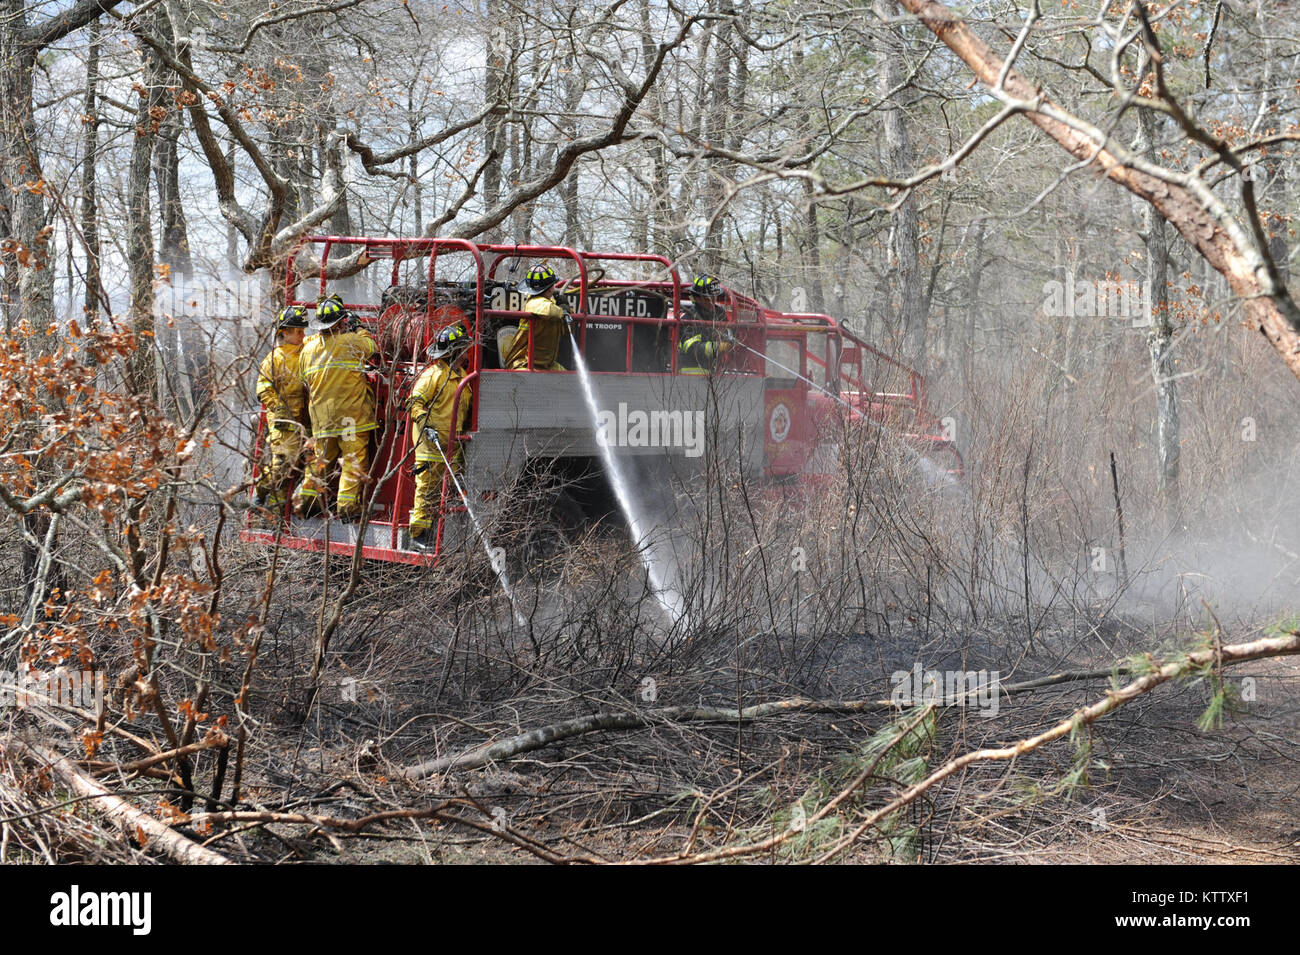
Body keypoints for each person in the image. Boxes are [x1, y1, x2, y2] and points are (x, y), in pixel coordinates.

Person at [293, 294, 379, 520]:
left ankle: (305, 504)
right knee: (352, 460)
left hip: (321, 420)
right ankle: (347, 509)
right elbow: (371, 346)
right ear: (341, 322)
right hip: (350, 419)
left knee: (319, 462)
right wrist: (359, 328)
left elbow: (304, 380)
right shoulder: (351, 342)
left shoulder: (307, 351)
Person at [406, 323, 473, 548]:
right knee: (426, 493)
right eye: (463, 349)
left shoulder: (462, 375)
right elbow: (414, 403)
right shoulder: (433, 375)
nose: (466, 353)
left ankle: (438, 534)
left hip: (452, 450)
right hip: (430, 447)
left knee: (447, 495)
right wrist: (426, 425)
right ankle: (417, 536)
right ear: (455, 351)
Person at [254, 305, 310, 511]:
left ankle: (276, 519)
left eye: (304, 331)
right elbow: (263, 388)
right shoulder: (273, 360)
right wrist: (279, 409)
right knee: (283, 465)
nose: (302, 335)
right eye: (298, 331)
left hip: (304, 421)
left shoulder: (305, 352)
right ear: (283, 333)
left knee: (291, 476)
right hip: (283, 423)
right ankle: (260, 490)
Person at [502, 264, 569, 371]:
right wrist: (563, 310)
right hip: (523, 364)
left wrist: (565, 308)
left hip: (547, 365)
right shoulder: (534, 303)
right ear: (550, 289)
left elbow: (567, 327)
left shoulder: (549, 303)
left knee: (569, 382)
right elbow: (550, 311)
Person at [678, 273, 734, 374]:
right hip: (690, 371)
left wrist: (728, 340)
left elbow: (728, 332)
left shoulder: (719, 313)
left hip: (713, 371)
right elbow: (692, 348)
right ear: (697, 298)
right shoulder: (689, 318)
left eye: (715, 298)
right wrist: (717, 347)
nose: (713, 302)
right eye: (709, 299)